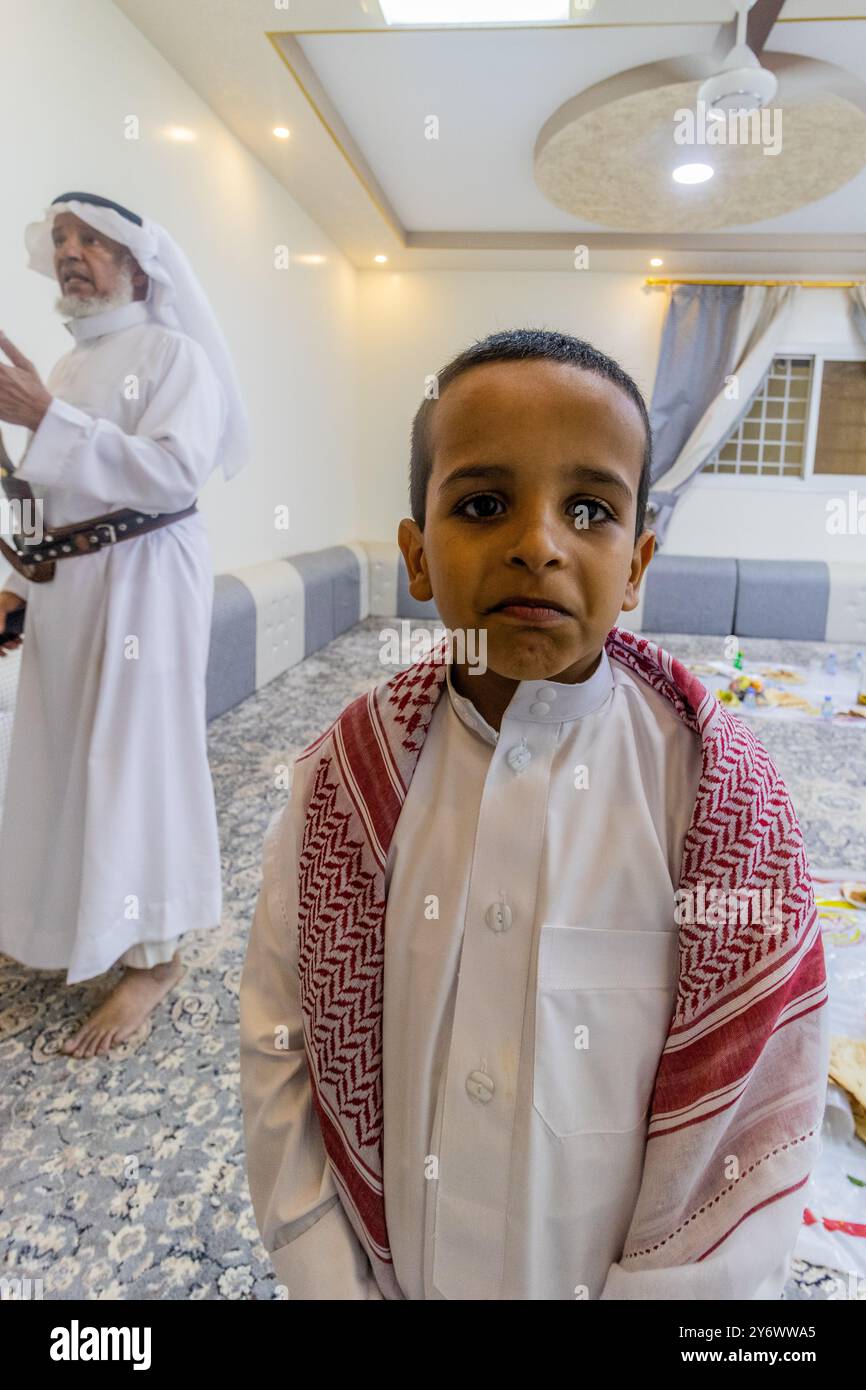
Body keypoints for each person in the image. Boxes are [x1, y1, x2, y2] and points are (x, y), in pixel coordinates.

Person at [239, 328, 828, 1300]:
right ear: (417, 554)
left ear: (635, 564)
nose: (538, 542)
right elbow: (281, 1036)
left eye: (588, 508)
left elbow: (761, 1092)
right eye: (482, 503)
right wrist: (324, 1274)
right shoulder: (344, 782)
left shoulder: (712, 793)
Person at [0, 192, 249, 1058]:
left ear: (138, 263)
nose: (72, 252)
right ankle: (61, 923)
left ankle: (154, 957)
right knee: (60, 746)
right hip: (70, 583)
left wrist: (42, 419)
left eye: (92, 240)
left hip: (145, 578)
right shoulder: (69, 370)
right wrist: (17, 587)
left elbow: (175, 474)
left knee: (137, 754)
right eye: (62, 239)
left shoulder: (175, 355)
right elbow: (55, 489)